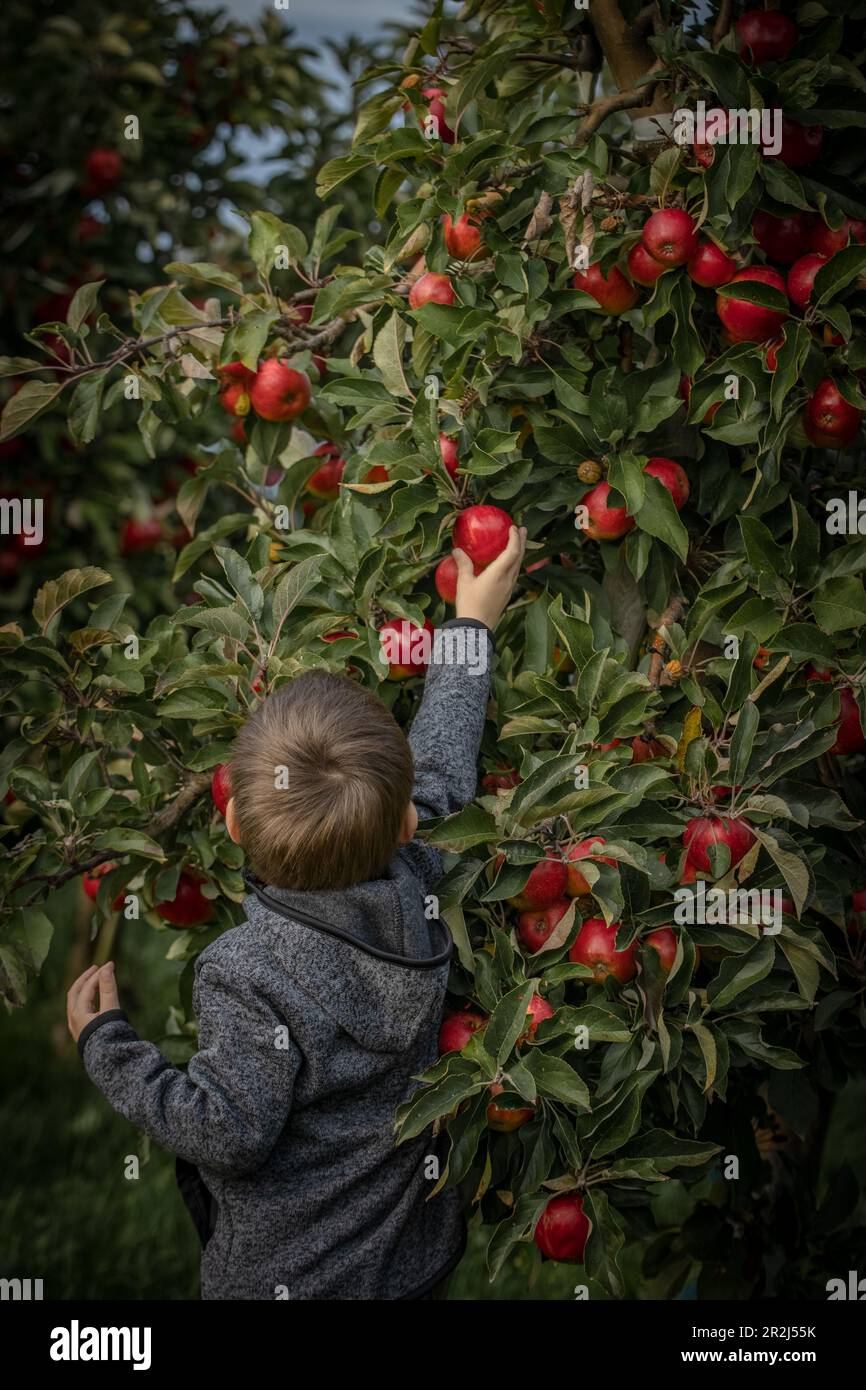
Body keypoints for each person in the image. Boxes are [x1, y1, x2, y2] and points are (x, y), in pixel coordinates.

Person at [67, 527, 527, 1301]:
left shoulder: (245, 974)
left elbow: (225, 1131)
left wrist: (109, 1050)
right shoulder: (424, 875)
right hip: (406, 1268)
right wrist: (469, 623)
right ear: (411, 824)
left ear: (234, 826)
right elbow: (445, 760)